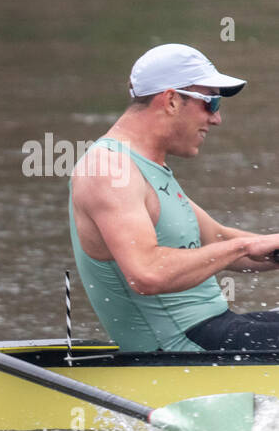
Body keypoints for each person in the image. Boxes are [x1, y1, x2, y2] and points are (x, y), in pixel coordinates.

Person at [69, 43, 279, 352]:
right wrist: (242, 246)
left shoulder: (148, 167)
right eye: (211, 103)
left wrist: (260, 247)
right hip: (179, 347)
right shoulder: (109, 170)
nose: (216, 119)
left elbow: (219, 240)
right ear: (170, 101)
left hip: (215, 329)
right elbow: (147, 274)